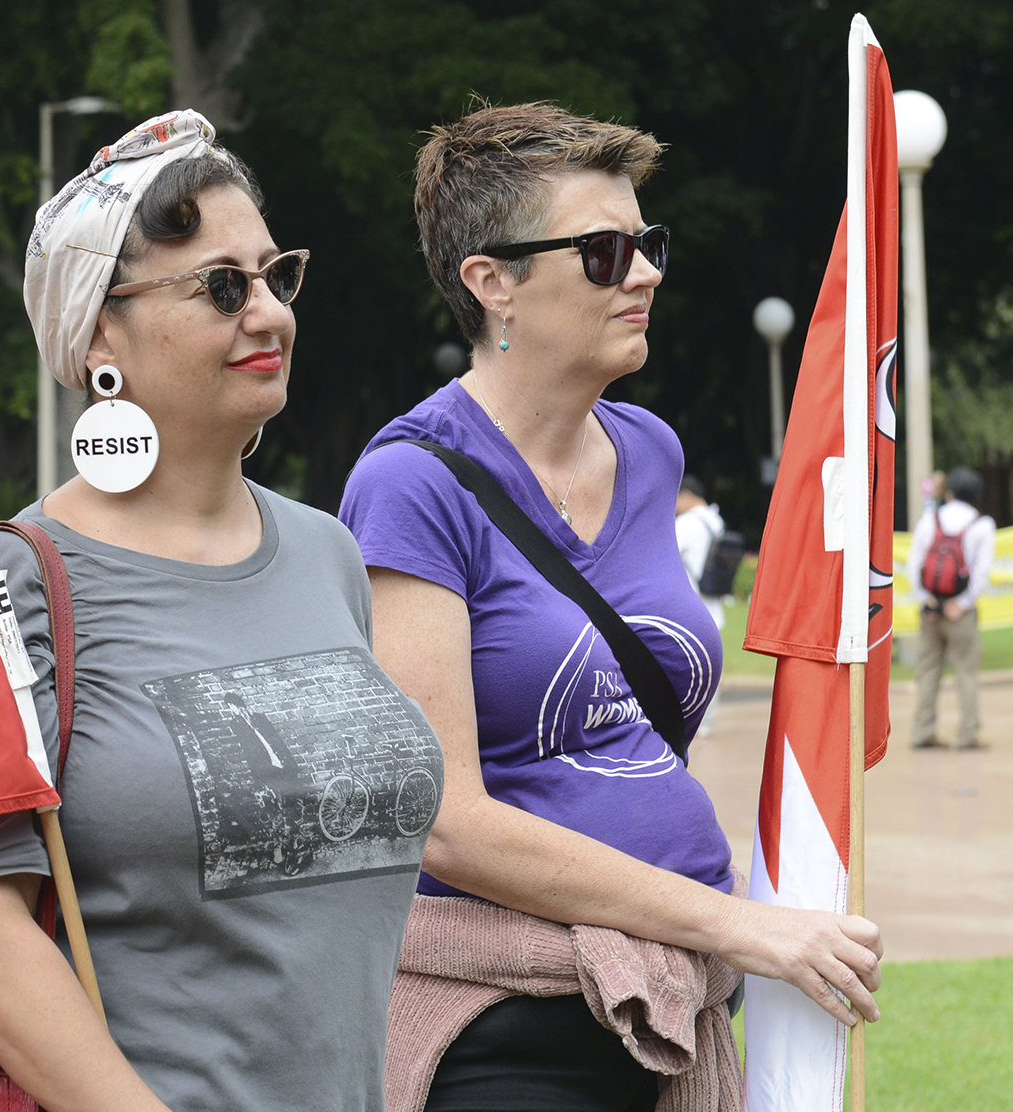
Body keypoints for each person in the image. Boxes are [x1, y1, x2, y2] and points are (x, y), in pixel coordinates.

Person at [340, 102, 881, 1111]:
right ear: (491, 283)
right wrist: (739, 925)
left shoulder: (651, 450)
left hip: (676, 1003)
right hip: (511, 1021)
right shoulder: (412, 484)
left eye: (647, 244)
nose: (643, 273)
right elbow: (446, 824)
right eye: (601, 251)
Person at [0, 111, 442, 1112]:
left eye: (277, 275)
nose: (272, 314)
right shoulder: (6, 585)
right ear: (102, 330)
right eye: (222, 287)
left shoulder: (327, 553)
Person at [907, 465, 995, 750]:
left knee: (928, 671)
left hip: (930, 610)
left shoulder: (931, 519)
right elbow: (981, 573)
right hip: (961, 614)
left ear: (950, 492)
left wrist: (926, 598)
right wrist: (962, 603)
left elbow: (914, 562)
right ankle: (968, 734)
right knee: (966, 673)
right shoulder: (982, 524)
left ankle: (922, 731)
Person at [675, 475, 726, 732]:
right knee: (711, 665)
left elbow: (668, 554)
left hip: (691, 605)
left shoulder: (686, 523)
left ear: (686, 496)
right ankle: (707, 722)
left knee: (690, 667)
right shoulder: (716, 521)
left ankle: (692, 724)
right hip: (714, 604)